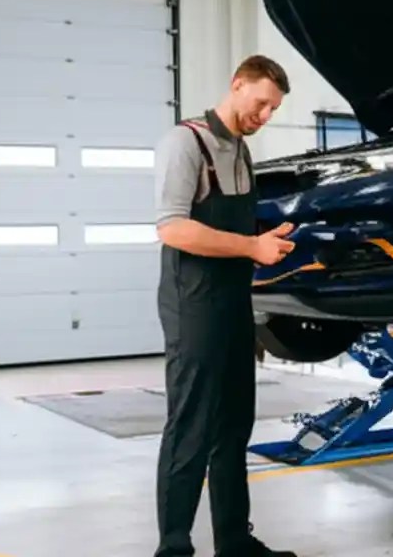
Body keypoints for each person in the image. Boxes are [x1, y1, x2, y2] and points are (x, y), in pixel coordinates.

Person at [152, 55, 298, 557]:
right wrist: (251, 247)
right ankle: (173, 548)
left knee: (235, 422)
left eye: (274, 109)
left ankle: (234, 541)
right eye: (261, 104)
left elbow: (230, 230)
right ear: (237, 86)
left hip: (233, 301)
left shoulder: (240, 151)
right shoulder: (185, 142)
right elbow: (172, 227)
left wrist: (262, 239)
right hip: (192, 303)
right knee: (191, 424)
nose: (265, 116)